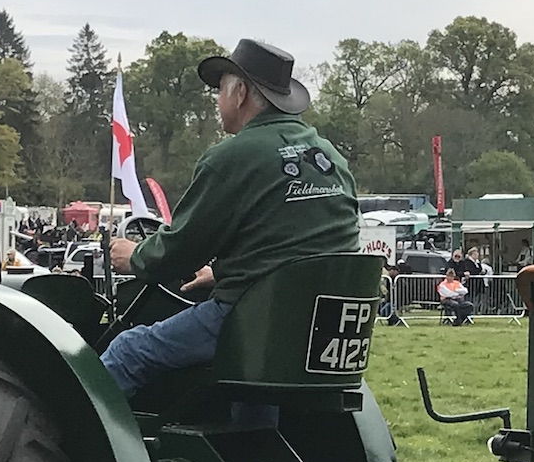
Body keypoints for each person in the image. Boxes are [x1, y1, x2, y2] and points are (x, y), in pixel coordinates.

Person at [102, 39, 358, 395]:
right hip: (321, 326)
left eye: (220, 89)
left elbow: (183, 248)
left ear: (240, 93)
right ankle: (253, 442)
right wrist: (221, 272)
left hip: (257, 320)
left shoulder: (232, 158)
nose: (218, 101)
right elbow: (299, 243)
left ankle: (72, 449)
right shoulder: (329, 157)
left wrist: (136, 257)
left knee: (127, 350)